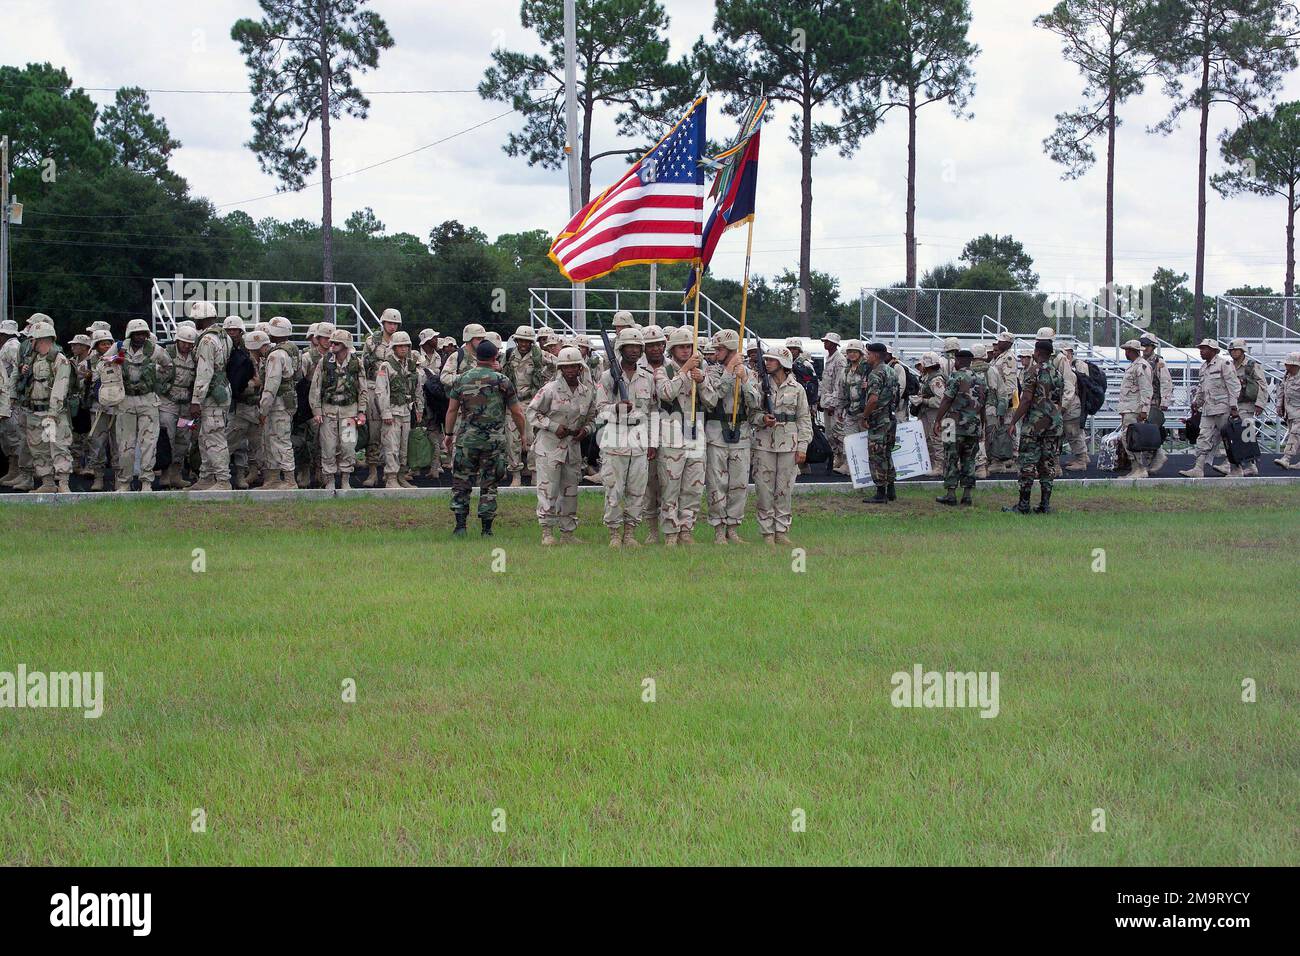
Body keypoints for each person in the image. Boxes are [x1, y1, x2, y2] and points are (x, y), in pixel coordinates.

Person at [444, 339, 527, 537]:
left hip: (467, 440)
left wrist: (448, 435)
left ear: (477, 357)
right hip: (493, 442)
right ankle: (486, 530)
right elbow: (517, 412)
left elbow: (452, 410)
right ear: (494, 357)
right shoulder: (502, 380)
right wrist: (522, 434)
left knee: (462, 482)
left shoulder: (461, 379)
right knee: (489, 484)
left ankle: (460, 526)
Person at [529, 346, 597, 545]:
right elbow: (532, 413)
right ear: (560, 368)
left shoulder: (587, 392)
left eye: (573, 367)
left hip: (572, 448)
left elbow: (593, 417)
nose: (569, 370)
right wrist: (552, 426)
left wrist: (586, 431)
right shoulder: (549, 389)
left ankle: (568, 533)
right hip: (549, 447)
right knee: (548, 490)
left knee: (570, 491)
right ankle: (547, 532)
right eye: (565, 367)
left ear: (580, 368)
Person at [595, 327, 655, 547]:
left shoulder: (647, 377)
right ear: (621, 348)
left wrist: (652, 441)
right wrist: (616, 408)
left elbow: (652, 411)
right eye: (630, 346)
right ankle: (614, 534)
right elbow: (599, 409)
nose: (634, 351)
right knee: (613, 490)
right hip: (615, 439)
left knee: (637, 491)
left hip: (639, 439)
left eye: (638, 347)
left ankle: (629, 533)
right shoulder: (607, 376)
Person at [701, 328, 762, 543]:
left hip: (741, 433)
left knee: (738, 483)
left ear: (729, 350)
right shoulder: (710, 372)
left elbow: (756, 403)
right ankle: (718, 529)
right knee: (716, 483)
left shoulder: (749, 373)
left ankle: (733, 527)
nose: (715, 352)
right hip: (717, 432)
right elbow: (712, 397)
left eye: (719, 349)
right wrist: (728, 371)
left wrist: (744, 380)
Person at [752, 346, 812, 545]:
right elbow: (751, 414)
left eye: (772, 360)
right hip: (764, 443)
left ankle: (781, 530)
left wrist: (802, 447)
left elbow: (804, 419)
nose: (767, 362)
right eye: (766, 359)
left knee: (784, 489)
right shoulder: (760, 386)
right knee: (764, 489)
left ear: (783, 363)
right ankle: (767, 532)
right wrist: (763, 419)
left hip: (789, 443)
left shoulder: (797, 388)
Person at [654, 326, 707, 545]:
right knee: (670, 486)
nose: (686, 351)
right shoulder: (662, 371)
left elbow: (712, 401)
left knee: (693, 486)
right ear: (672, 350)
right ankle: (670, 532)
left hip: (695, 432)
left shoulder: (700, 369)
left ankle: (687, 529)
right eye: (681, 347)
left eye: (689, 347)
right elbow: (666, 393)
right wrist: (684, 371)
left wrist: (702, 381)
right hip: (672, 435)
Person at [1005, 337, 1064, 514]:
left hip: (1034, 426)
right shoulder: (1057, 374)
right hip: (1053, 426)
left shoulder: (1033, 371)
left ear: (1037, 353)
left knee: (1027, 464)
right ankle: (1045, 505)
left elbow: (1026, 399)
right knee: (1048, 465)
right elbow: (1058, 401)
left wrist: (1014, 421)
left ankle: (1023, 505)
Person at [112, 317, 171, 491]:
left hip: (147, 399)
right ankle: (124, 482)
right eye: (136, 333)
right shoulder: (119, 348)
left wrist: (156, 379)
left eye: (142, 333)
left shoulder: (154, 349)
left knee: (149, 443)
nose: (139, 337)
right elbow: (103, 365)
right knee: (125, 444)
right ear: (130, 334)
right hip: (126, 399)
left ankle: (146, 481)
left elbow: (169, 367)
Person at [15, 321, 74, 493]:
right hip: (35, 411)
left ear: (40, 339)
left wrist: (53, 414)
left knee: (59, 447)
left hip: (53, 412)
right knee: (38, 450)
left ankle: (63, 484)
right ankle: (48, 483)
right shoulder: (33, 359)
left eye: (32, 339)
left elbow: (60, 388)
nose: (30, 343)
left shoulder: (59, 359)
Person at [310, 329, 367, 489]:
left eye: (336, 343)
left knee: (348, 448)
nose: (332, 345)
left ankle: (345, 480)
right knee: (328, 447)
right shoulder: (324, 362)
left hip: (349, 413)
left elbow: (362, 389)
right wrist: (317, 411)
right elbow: (316, 387)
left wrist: (362, 411)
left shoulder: (356, 363)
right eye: (331, 342)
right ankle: (329, 481)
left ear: (346, 345)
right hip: (328, 412)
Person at [1179, 339, 1241, 478]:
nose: (1201, 351)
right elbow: (1202, 388)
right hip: (1208, 409)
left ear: (1213, 350)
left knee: (1228, 439)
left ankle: (1236, 469)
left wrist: (1233, 406)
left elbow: (1234, 386)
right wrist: (1197, 402)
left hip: (1223, 408)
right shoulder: (1203, 368)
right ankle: (1198, 468)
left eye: (1204, 349)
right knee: (1203, 437)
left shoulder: (1224, 364)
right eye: (1200, 349)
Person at [931, 348, 984, 506]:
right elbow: (983, 403)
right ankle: (967, 495)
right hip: (973, 424)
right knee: (969, 459)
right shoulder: (980, 378)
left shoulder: (956, 376)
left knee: (951, 458)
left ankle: (951, 494)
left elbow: (947, 399)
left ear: (958, 361)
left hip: (951, 424)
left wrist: (938, 420)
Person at [189, 302, 233, 491]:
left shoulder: (207, 341)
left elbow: (204, 372)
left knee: (214, 437)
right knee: (205, 437)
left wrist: (196, 400)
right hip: (221, 390)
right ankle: (206, 478)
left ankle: (223, 480)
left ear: (201, 319)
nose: (194, 322)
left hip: (211, 394)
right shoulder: (224, 337)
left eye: (195, 319)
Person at [373, 329, 422, 489]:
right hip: (392, 411)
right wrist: (385, 412)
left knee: (404, 447)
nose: (403, 349)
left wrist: (419, 408)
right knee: (391, 447)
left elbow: (417, 388)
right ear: (393, 347)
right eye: (399, 346)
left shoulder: (411, 365)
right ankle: (391, 478)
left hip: (407, 410)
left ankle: (402, 475)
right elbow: (381, 390)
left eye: (406, 346)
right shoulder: (386, 366)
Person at [359, 308, 402, 487]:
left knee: (394, 435)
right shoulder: (372, 342)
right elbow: (362, 366)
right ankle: (373, 472)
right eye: (389, 323)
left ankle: (394, 474)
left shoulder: (402, 342)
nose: (392, 326)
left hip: (394, 392)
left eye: (395, 323)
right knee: (374, 433)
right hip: (373, 388)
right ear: (383, 323)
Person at [258, 318, 300, 489]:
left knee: (280, 441)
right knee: (271, 440)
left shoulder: (276, 355)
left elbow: (271, 385)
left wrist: (263, 409)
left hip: (278, 404)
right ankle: (273, 479)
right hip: (287, 401)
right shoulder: (292, 349)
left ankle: (290, 480)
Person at [504, 325, 546, 486]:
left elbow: (556, 364)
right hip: (512, 403)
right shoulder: (508, 355)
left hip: (531, 402)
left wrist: (546, 382)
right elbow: (501, 371)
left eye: (527, 341)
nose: (523, 344)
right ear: (516, 341)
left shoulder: (538, 355)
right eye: (521, 341)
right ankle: (516, 475)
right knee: (512, 439)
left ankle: (534, 472)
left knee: (532, 439)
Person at [638, 324, 668, 540]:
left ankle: (671, 528)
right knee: (649, 484)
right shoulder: (635, 368)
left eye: (659, 344)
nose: (655, 349)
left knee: (669, 484)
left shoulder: (673, 367)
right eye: (650, 345)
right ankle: (652, 530)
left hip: (672, 430)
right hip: (645, 430)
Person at [158, 325, 198, 488]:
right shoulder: (166, 353)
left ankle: (176, 474)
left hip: (186, 405)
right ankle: (165, 475)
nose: (187, 346)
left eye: (190, 343)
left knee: (183, 438)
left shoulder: (195, 357)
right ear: (177, 341)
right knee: (168, 437)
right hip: (168, 403)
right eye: (184, 343)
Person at [1223, 337, 1269, 476]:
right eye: (1231, 350)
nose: (1233, 352)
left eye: (1235, 350)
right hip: (1232, 405)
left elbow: (1262, 385)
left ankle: (1249, 465)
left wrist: (1260, 404)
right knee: (1231, 434)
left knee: (1246, 435)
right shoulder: (1228, 365)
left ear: (1242, 351)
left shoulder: (1252, 366)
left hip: (1247, 405)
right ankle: (1235, 464)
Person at [860, 342, 898, 504]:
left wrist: (865, 416)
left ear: (875, 355)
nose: (866, 357)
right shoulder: (892, 371)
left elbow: (873, 399)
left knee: (877, 456)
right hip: (890, 418)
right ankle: (891, 489)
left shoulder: (875, 373)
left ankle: (880, 492)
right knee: (888, 454)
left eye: (868, 354)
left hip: (879, 421)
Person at [1116, 339, 1154, 479]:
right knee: (1129, 438)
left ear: (1132, 351)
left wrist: (1144, 410)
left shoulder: (1141, 366)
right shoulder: (1133, 366)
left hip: (1135, 409)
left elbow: (1146, 389)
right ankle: (1135, 468)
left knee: (1132, 439)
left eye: (1127, 350)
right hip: (1129, 408)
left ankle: (1140, 468)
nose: (1125, 353)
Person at [1139, 335, 1174, 473]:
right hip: (1143, 402)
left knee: (1150, 431)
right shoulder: (1140, 361)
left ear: (1153, 346)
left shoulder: (1158, 361)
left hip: (1154, 403)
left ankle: (1158, 455)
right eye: (1143, 345)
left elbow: (1166, 382)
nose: (1145, 348)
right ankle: (1151, 458)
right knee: (1144, 432)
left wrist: (1165, 401)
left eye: (1147, 345)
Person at [986, 332, 1019, 474]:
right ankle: (1002, 459)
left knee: (1004, 429)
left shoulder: (1009, 358)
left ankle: (1003, 461)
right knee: (1000, 429)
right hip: (999, 398)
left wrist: (1005, 402)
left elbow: (1010, 382)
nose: (998, 343)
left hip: (1005, 399)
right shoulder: (1000, 357)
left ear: (1009, 343)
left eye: (1001, 341)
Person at [911, 351, 946, 476]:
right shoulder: (928, 376)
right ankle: (931, 463)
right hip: (927, 412)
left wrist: (923, 400)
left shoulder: (936, 379)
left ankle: (939, 466)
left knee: (936, 438)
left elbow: (940, 401)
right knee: (927, 438)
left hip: (934, 413)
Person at [1059, 345, 1091, 472]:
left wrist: (1063, 407)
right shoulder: (1065, 368)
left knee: (1074, 433)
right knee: (1072, 432)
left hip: (1073, 405)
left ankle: (1082, 460)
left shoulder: (1076, 367)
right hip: (1070, 404)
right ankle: (1081, 457)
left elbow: (1073, 389)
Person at [819, 332, 846, 474]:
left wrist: (833, 403)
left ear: (835, 344)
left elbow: (839, 384)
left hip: (834, 404)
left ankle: (843, 458)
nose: (825, 343)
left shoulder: (840, 360)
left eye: (828, 342)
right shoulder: (829, 358)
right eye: (825, 341)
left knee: (838, 432)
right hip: (826, 401)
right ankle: (837, 456)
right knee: (829, 433)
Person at [1274, 351, 1300, 469]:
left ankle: (1286, 458)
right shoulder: (1287, 376)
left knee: (1295, 434)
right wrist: (1279, 406)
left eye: (1288, 364)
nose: (1286, 366)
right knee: (1296, 435)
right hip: (1290, 412)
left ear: (1296, 365)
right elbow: (1281, 391)